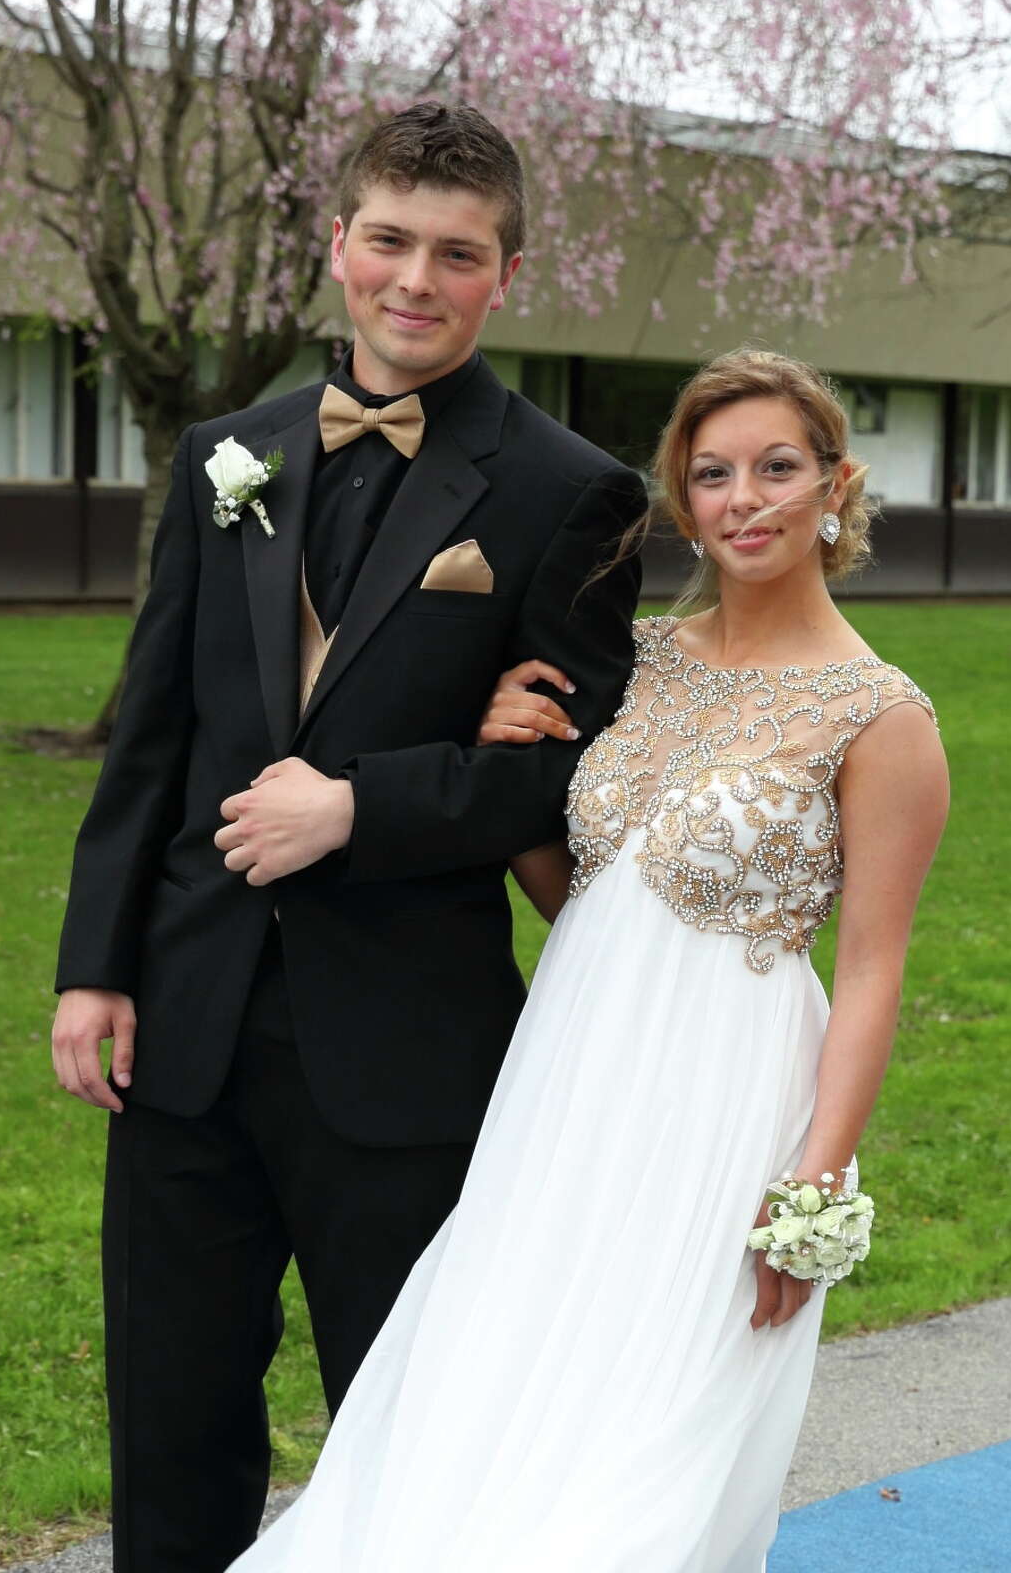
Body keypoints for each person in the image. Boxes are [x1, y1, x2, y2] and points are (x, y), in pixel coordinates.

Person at [227, 349, 950, 1572]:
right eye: (712, 473)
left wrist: (814, 1189)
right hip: (568, 1084)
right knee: (501, 1394)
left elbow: (875, 969)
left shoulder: (883, 717)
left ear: (835, 486)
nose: (746, 498)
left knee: (647, 1449)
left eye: (778, 467)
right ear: (684, 502)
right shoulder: (642, 666)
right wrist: (504, 748)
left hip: (729, 1103)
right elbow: (589, 888)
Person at [49, 101, 645, 1572]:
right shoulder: (223, 456)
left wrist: (362, 805)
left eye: (457, 252)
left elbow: (575, 780)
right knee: (171, 1413)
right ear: (337, 246)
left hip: (404, 1046)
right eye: (387, 240)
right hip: (186, 1027)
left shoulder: (573, 490)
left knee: (411, 1425)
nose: (414, 280)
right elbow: (157, 736)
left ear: (508, 271)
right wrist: (94, 964)